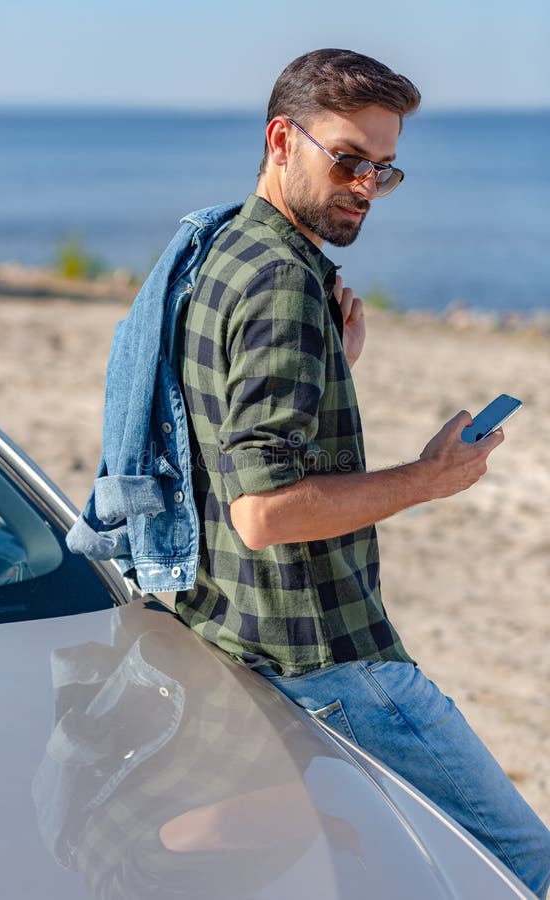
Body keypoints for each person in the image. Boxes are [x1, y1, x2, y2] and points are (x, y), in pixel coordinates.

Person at [174, 49, 550, 896]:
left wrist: (327, 364)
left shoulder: (222, 248)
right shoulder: (282, 284)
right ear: (282, 140)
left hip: (242, 634)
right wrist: (429, 477)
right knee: (526, 863)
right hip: (326, 652)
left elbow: (229, 428)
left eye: (384, 169)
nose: (366, 187)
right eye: (348, 159)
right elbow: (263, 512)